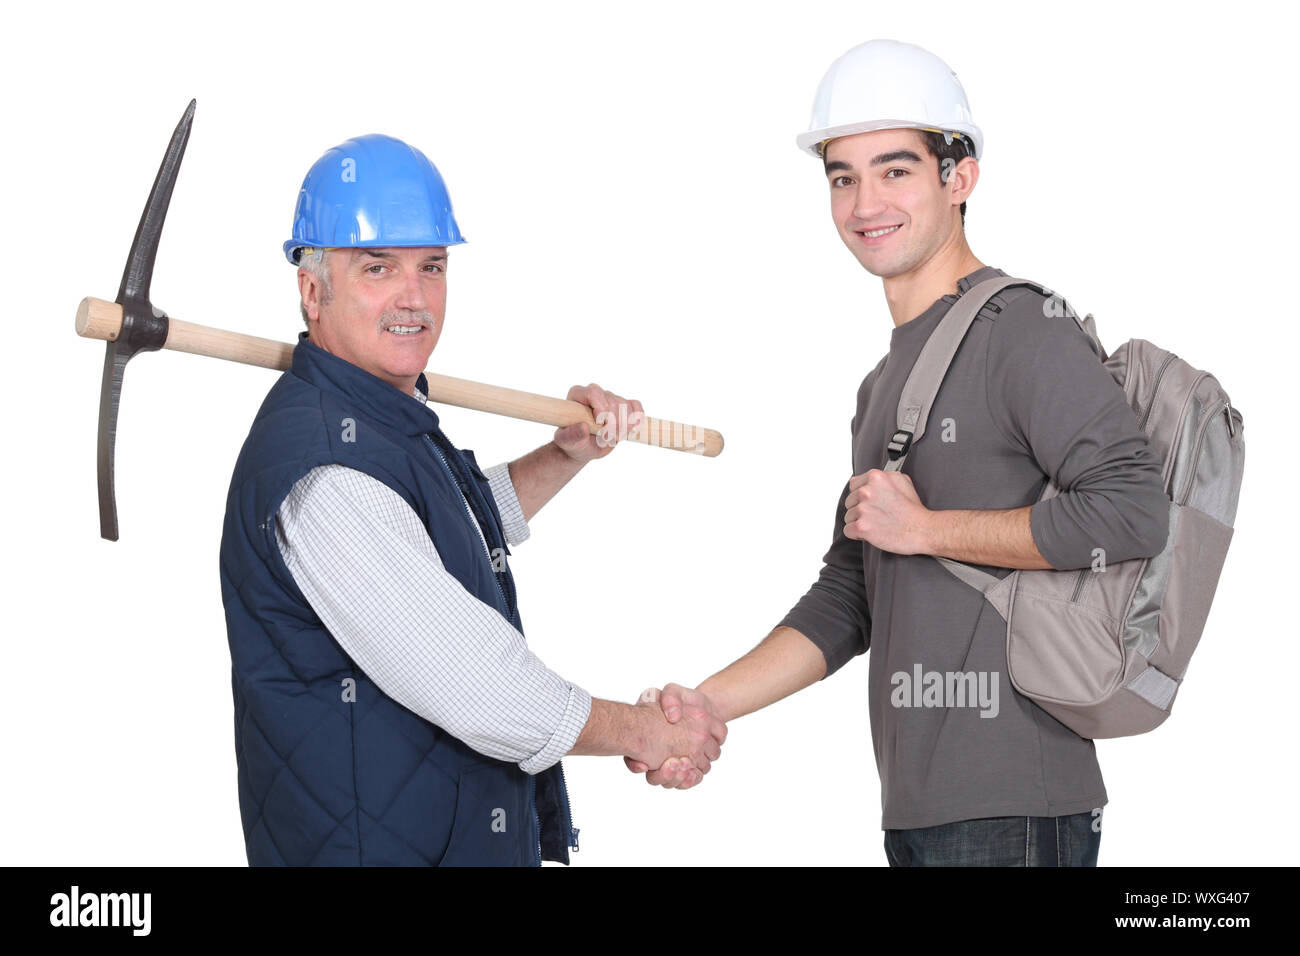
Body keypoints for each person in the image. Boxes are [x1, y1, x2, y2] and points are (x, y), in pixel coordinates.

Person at [627, 38, 1169, 867]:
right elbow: (849, 598)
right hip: (921, 812)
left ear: (960, 178)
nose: (863, 202)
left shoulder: (1024, 328)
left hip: (1017, 808)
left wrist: (929, 530)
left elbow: (1132, 508)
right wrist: (703, 706)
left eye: (895, 170)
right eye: (842, 176)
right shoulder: (885, 381)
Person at [218, 133, 724, 866]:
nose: (413, 298)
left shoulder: (381, 420)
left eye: (432, 266)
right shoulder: (325, 472)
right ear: (312, 289)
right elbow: (489, 692)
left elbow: (446, 529)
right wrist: (651, 733)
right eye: (377, 268)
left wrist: (565, 455)